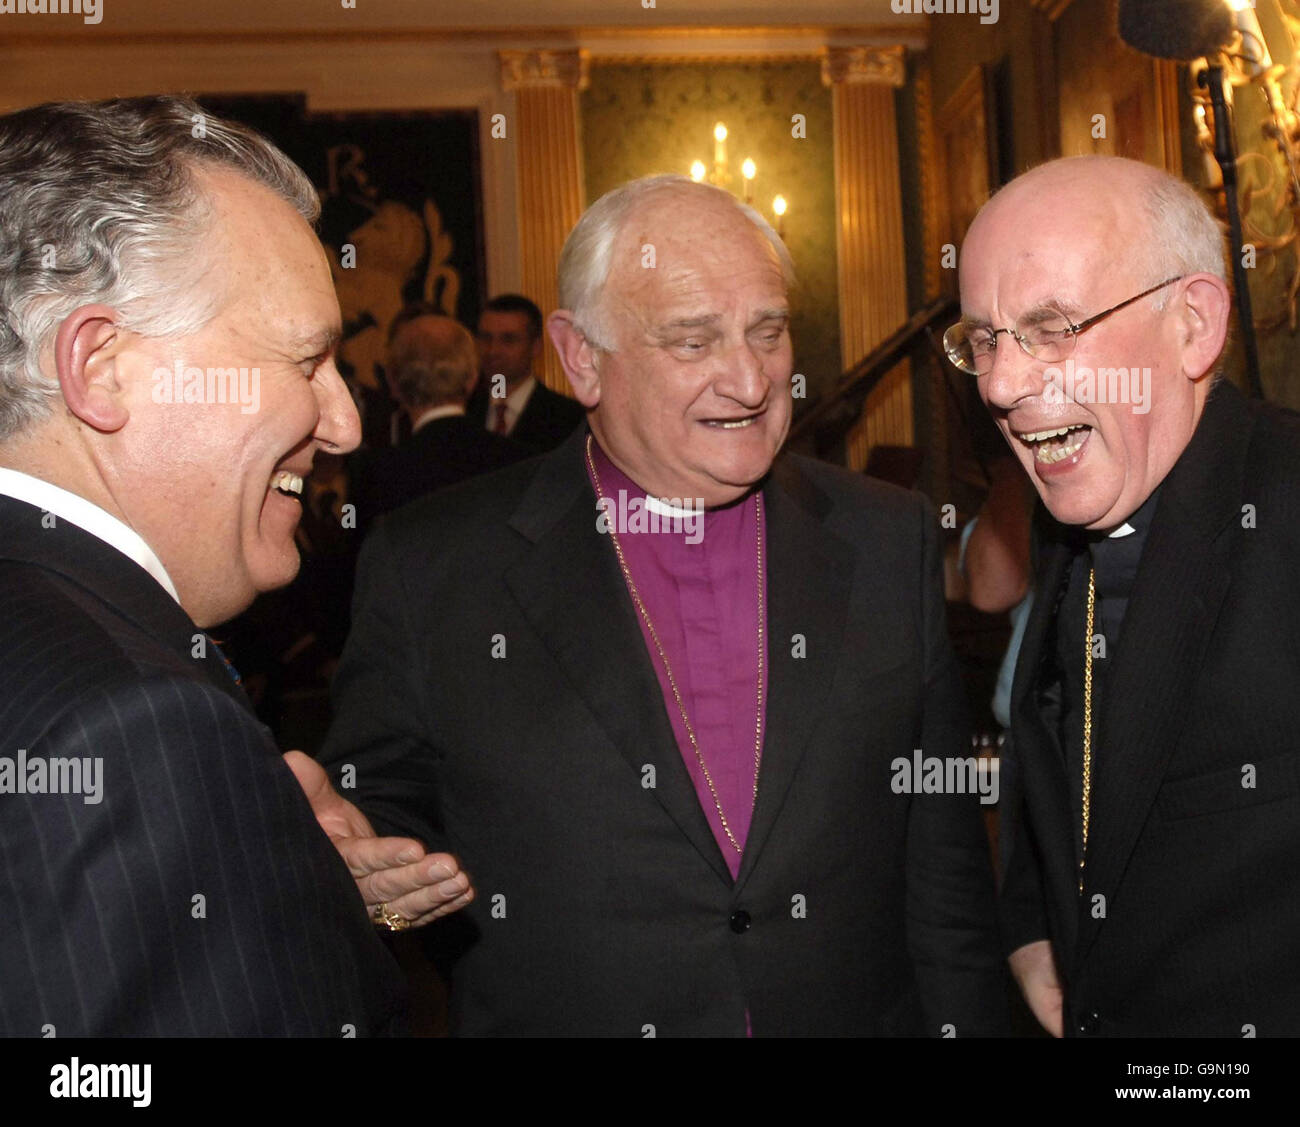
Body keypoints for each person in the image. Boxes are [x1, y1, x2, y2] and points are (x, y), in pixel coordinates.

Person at [317, 173, 1007, 1036]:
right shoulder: (434, 565)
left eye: (769, 331)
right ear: (580, 358)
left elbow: (944, 874)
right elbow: (378, 805)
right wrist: (364, 869)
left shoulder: (882, 537)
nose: (752, 381)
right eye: (693, 341)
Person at [0, 95, 470, 1037]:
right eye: (307, 360)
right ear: (101, 366)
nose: (343, 422)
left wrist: (279, 875)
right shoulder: (130, 724)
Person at [949, 154, 1300, 1036]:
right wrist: (1031, 926)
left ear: (1192, 324)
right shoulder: (1080, 503)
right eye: (983, 339)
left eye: (1052, 326)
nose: (997, 383)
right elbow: (1066, 755)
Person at [350, 306, 528, 530]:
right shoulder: (519, 460)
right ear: (472, 379)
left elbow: (362, 559)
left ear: (393, 383)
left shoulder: (377, 474)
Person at [466, 293, 585, 452]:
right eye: (485, 338)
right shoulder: (465, 410)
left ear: (535, 346)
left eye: (508, 340)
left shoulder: (568, 417)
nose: (493, 350)